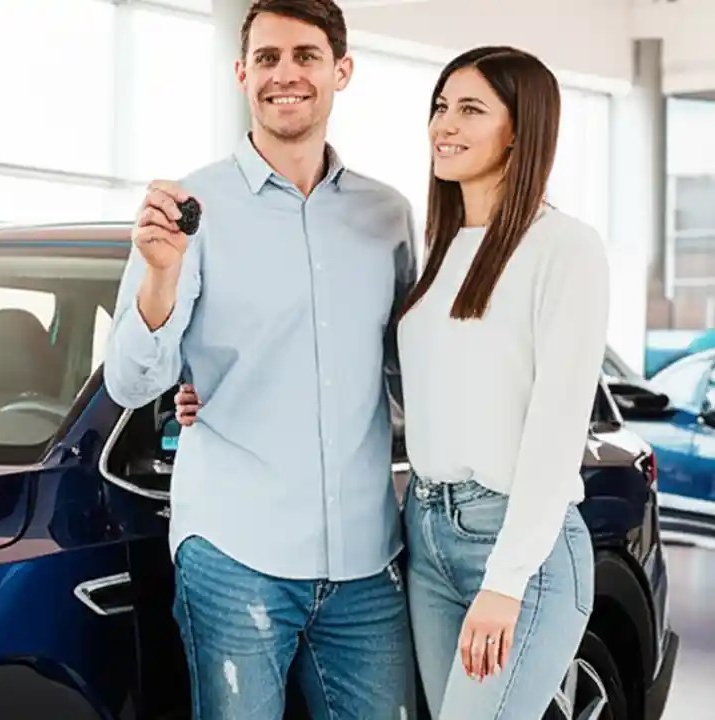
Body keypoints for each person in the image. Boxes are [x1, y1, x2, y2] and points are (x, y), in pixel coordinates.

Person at [175, 46, 608, 718]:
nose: (444, 125)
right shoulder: (440, 248)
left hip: (520, 545)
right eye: (440, 107)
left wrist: (507, 580)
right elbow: (393, 378)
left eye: (470, 109)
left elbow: (556, 431)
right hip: (426, 535)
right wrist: (221, 387)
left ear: (521, 128)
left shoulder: (566, 248)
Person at [102, 0, 417, 718]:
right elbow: (130, 381)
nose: (286, 75)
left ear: (341, 70)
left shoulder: (388, 216)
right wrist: (159, 274)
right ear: (242, 73)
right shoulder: (191, 209)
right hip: (235, 552)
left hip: (368, 559)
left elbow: (410, 376)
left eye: (306, 56)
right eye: (267, 58)